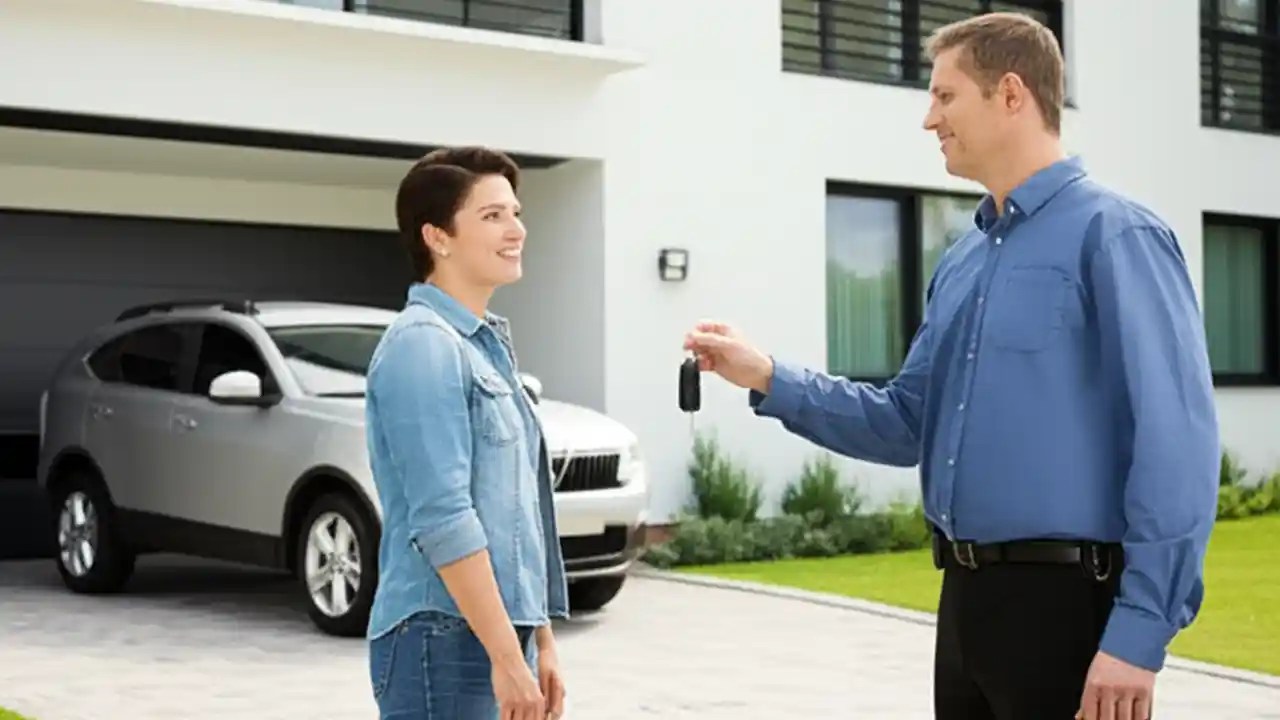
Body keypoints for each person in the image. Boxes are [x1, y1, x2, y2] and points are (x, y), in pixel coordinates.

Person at [684, 11, 1219, 720]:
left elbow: (1176, 443)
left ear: (1010, 94)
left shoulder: (1117, 235)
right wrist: (765, 376)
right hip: (965, 604)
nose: (929, 120)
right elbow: (907, 421)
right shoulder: (965, 258)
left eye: (944, 96)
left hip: (1068, 607)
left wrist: (1140, 634)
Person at [364, 146, 569, 720]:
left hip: (497, 635)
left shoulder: (483, 346)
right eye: (492, 216)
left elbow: (517, 513)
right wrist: (508, 659)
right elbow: (444, 518)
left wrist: (541, 642)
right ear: (438, 237)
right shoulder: (422, 346)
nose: (516, 230)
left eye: (516, 213)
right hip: (441, 639)